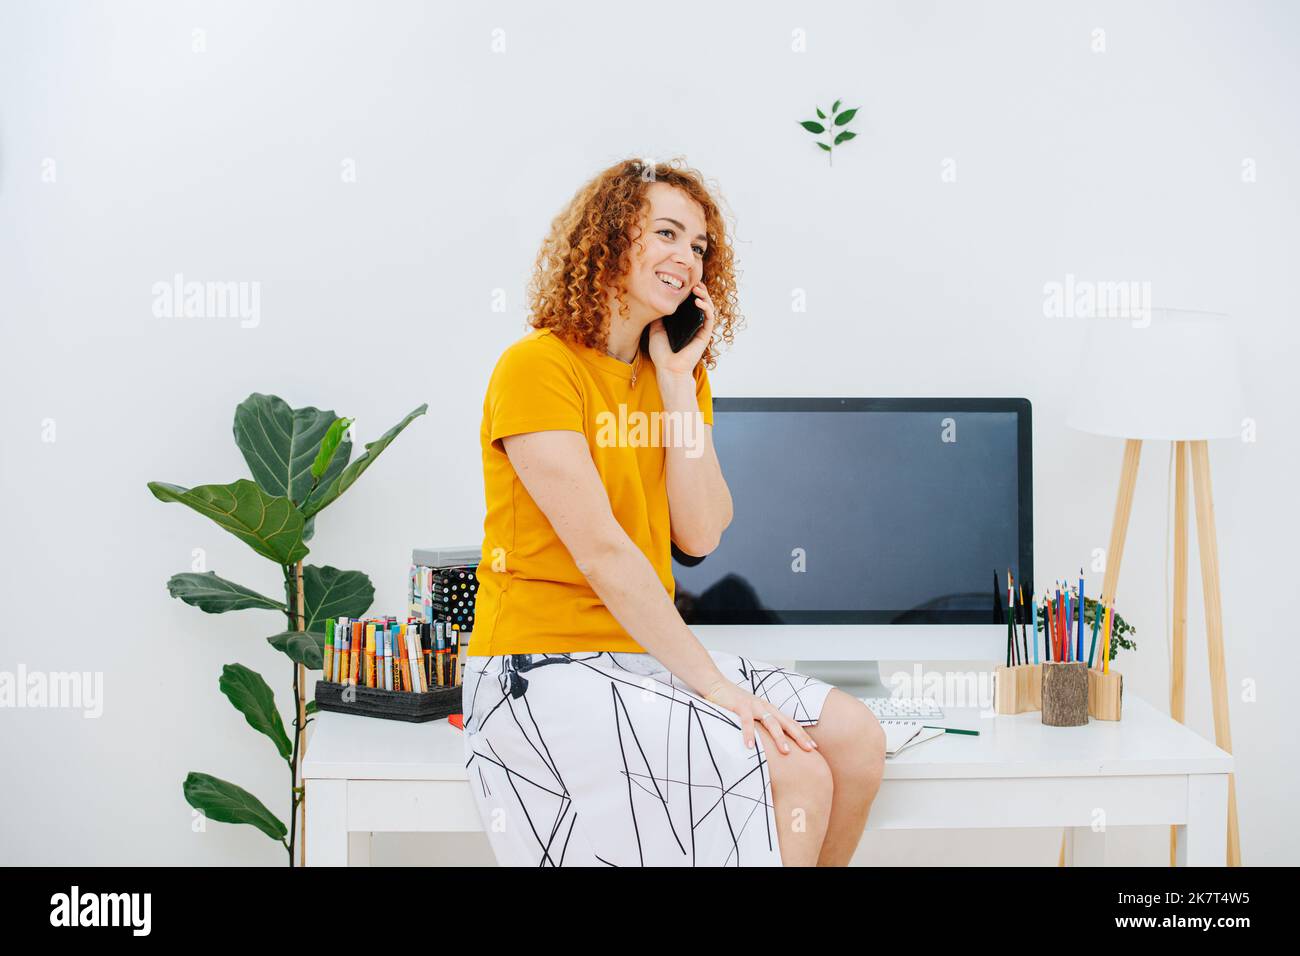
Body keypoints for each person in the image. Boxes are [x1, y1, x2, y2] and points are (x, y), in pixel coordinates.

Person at [462, 157, 886, 866]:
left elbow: (701, 531)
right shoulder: (537, 367)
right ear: (608, 239)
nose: (687, 259)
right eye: (666, 233)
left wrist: (677, 384)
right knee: (795, 770)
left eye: (698, 247)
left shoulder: (676, 377)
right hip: (541, 660)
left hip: (641, 652)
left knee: (855, 738)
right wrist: (716, 687)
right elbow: (602, 552)